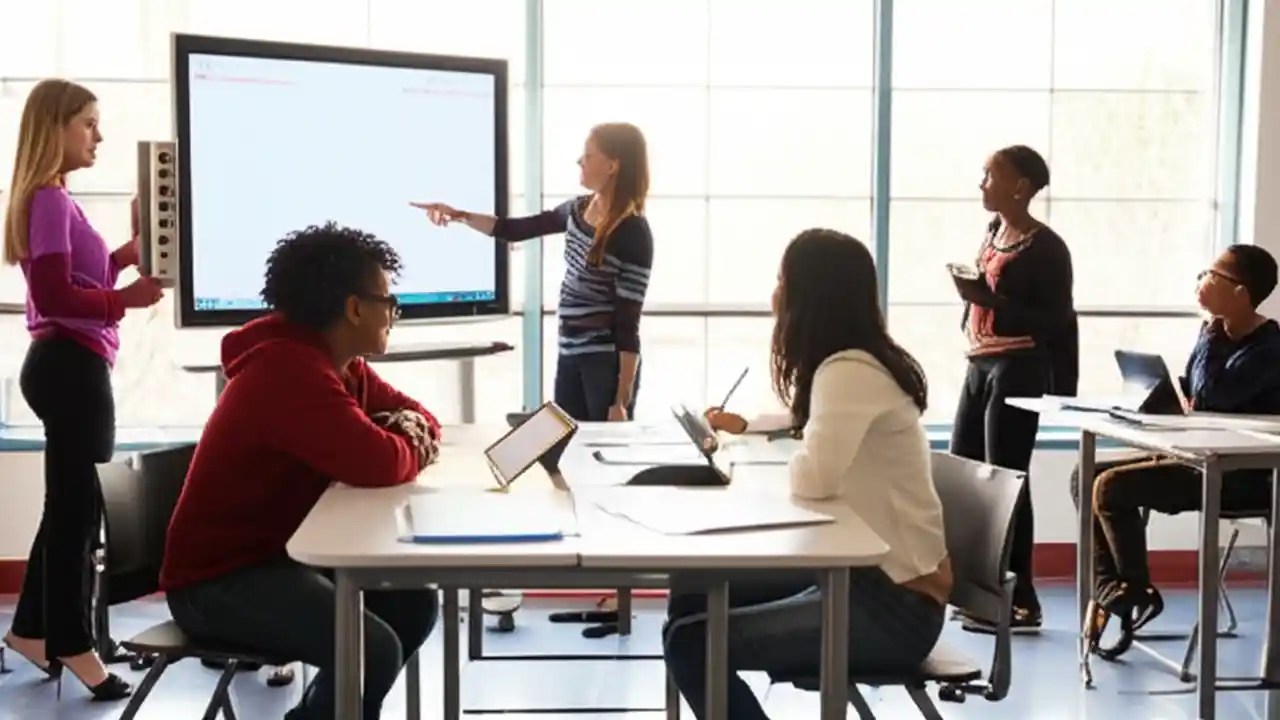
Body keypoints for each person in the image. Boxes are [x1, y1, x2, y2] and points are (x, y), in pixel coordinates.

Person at [160, 222, 442, 720]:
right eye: (388, 302)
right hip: (219, 582)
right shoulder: (288, 371)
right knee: (370, 648)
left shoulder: (340, 363)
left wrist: (404, 433)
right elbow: (379, 462)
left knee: (412, 602)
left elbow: (419, 417)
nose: (394, 315)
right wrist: (405, 437)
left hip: (278, 560)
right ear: (354, 308)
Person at [672, 228, 951, 720]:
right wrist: (759, 430)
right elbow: (811, 429)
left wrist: (788, 452)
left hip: (894, 607)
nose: (775, 294)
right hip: (865, 577)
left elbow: (813, 478)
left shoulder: (849, 372)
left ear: (811, 296)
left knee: (693, 642)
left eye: (782, 281)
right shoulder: (852, 365)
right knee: (692, 592)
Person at [1, 79, 164, 701]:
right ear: (57, 128)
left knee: (67, 506)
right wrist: (124, 301)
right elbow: (53, 296)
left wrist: (124, 256)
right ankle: (74, 645)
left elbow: (79, 275)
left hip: (66, 366)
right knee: (79, 512)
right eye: (89, 124)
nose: (100, 136)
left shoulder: (56, 199)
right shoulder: (48, 199)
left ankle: (32, 631)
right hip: (71, 368)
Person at [1072, 244, 1280, 660]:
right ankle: (1118, 590)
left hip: (1242, 475)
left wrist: (1210, 335)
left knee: (1111, 487)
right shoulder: (1216, 333)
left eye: (1213, 276)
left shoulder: (1269, 348)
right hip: (1200, 456)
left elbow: (1213, 394)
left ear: (1241, 293)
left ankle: (1133, 590)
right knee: (1086, 473)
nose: (1202, 282)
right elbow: (1192, 388)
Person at [412, 122, 653, 422]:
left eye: (589, 155)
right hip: (569, 353)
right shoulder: (576, 210)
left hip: (604, 363)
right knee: (567, 440)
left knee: (600, 445)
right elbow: (514, 229)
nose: (580, 161)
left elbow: (628, 325)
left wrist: (621, 401)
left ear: (612, 166)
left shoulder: (633, 231)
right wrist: (459, 215)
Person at [949, 144, 1077, 634]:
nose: (982, 184)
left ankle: (1021, 597)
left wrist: (990, 300)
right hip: (980, 363)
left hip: (1018, 368)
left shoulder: (1047, 248)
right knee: (966, 474)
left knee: (1006, 480)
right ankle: (978, 590)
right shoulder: (993, 231)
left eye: (990, 175)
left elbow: (1054, 320)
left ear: (1020, 187)